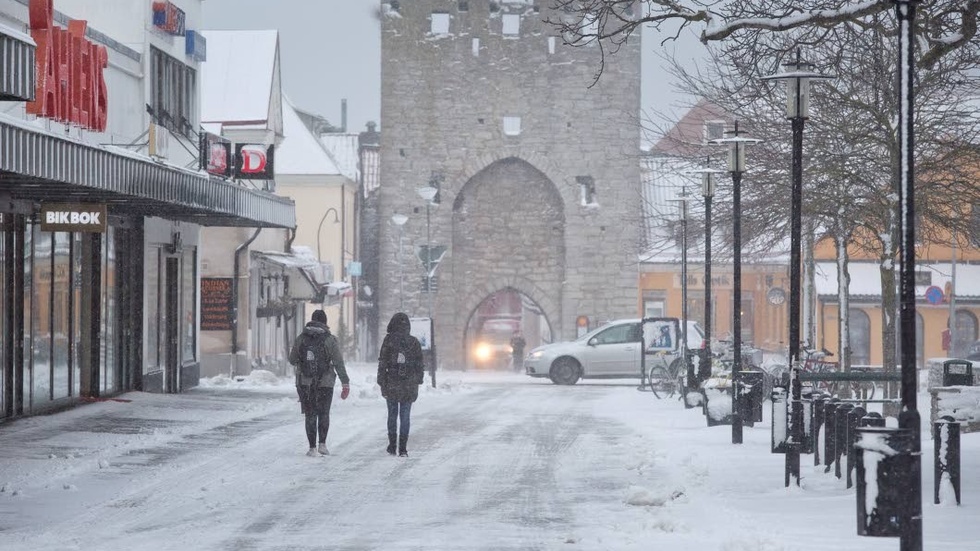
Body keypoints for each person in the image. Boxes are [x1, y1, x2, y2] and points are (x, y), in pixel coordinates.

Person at [289, 309, 350, 457]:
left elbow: (292, 360)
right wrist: (345, 382)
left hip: (306, 382)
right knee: (324, 413)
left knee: (310, 414)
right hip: (325, 383)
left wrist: (305, 361)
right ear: (325, 322)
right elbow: (338, 362)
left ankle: (312, 448)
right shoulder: (329, 339)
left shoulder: (301, 338)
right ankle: (322, 444)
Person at [377, 312, 424, 457]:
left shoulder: (388, 341)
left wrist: (381, 381)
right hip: (409, 384)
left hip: (392, 383)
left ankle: (392, 446)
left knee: (392, 415)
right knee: (405, 416)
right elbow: (419, 364)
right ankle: (403, 448)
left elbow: (382, 362)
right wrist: (418, 380)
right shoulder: (414, 342)